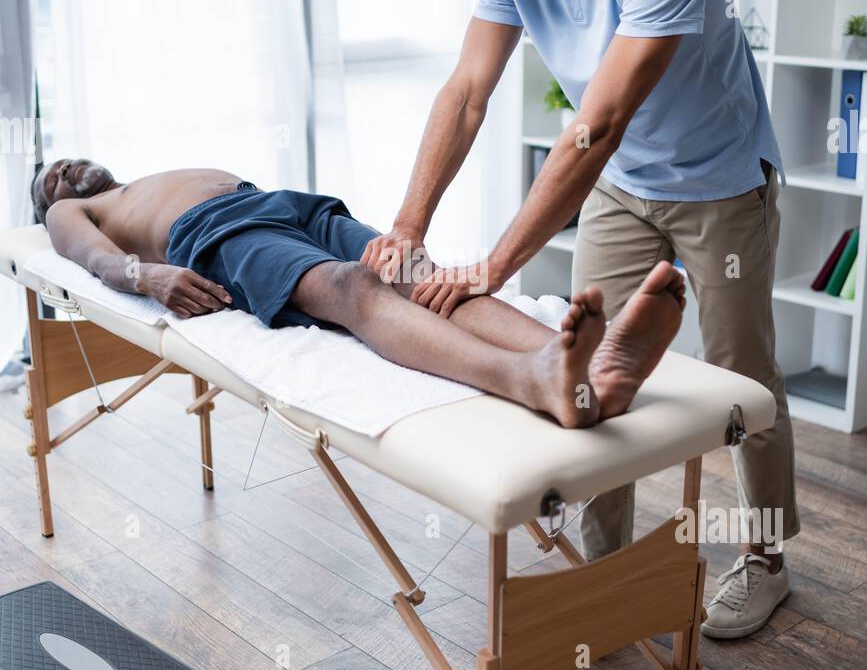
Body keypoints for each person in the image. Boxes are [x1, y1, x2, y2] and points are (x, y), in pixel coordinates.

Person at [359, 0, 796, 638]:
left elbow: (595, 126)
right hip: (622, 190)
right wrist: (408, 225)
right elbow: (464, 95)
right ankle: (608, 575)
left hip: (718, 185)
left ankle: (765, 559)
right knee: (592, 370)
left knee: (743, 376)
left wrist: (491, 266)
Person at [31, 158, 686, 430]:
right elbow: (93, 260)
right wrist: (153, 278)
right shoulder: (75, 214)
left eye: (65, 158)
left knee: (421, 274)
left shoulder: (139, 177)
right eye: (50, 178)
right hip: (218, 234)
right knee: (353, 287)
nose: (60, 170)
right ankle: (528, 379)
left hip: (288, 205)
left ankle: (586, 366)